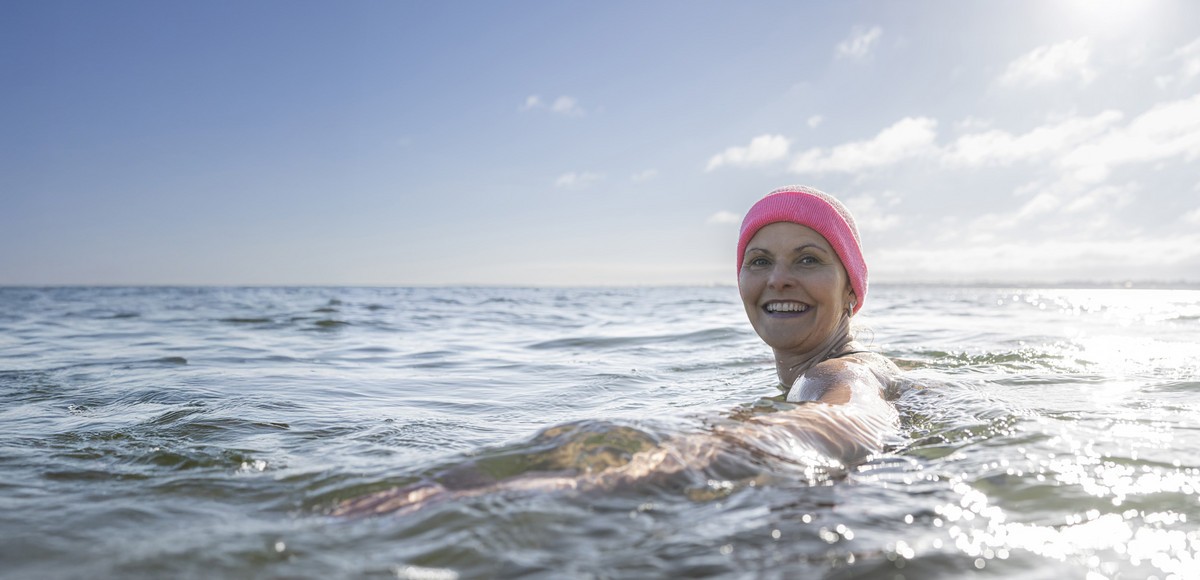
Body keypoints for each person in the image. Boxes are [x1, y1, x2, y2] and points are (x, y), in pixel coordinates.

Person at [333, 185, 901, 517]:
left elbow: (837, 422)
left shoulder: (841, 374)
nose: (778, 279)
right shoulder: (823, 374)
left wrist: (583, 488)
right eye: (759, 261)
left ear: (852, 288)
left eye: (807, 259)